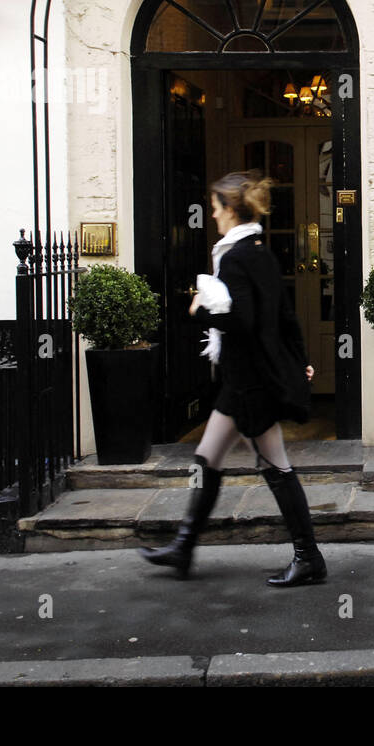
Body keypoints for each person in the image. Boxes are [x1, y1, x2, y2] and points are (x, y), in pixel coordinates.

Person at [138, 170, 325, 587]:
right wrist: (300, 359)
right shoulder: (259, 250)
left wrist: (198, 312)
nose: (212, 214)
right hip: (241, 381)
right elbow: (285, 314)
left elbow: (244, 319)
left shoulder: (238, 256)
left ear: (230, 210)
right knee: (206, 457)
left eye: (216, 207)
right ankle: (184, 549)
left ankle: (308, 556)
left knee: (277, 465)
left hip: (250, 383)